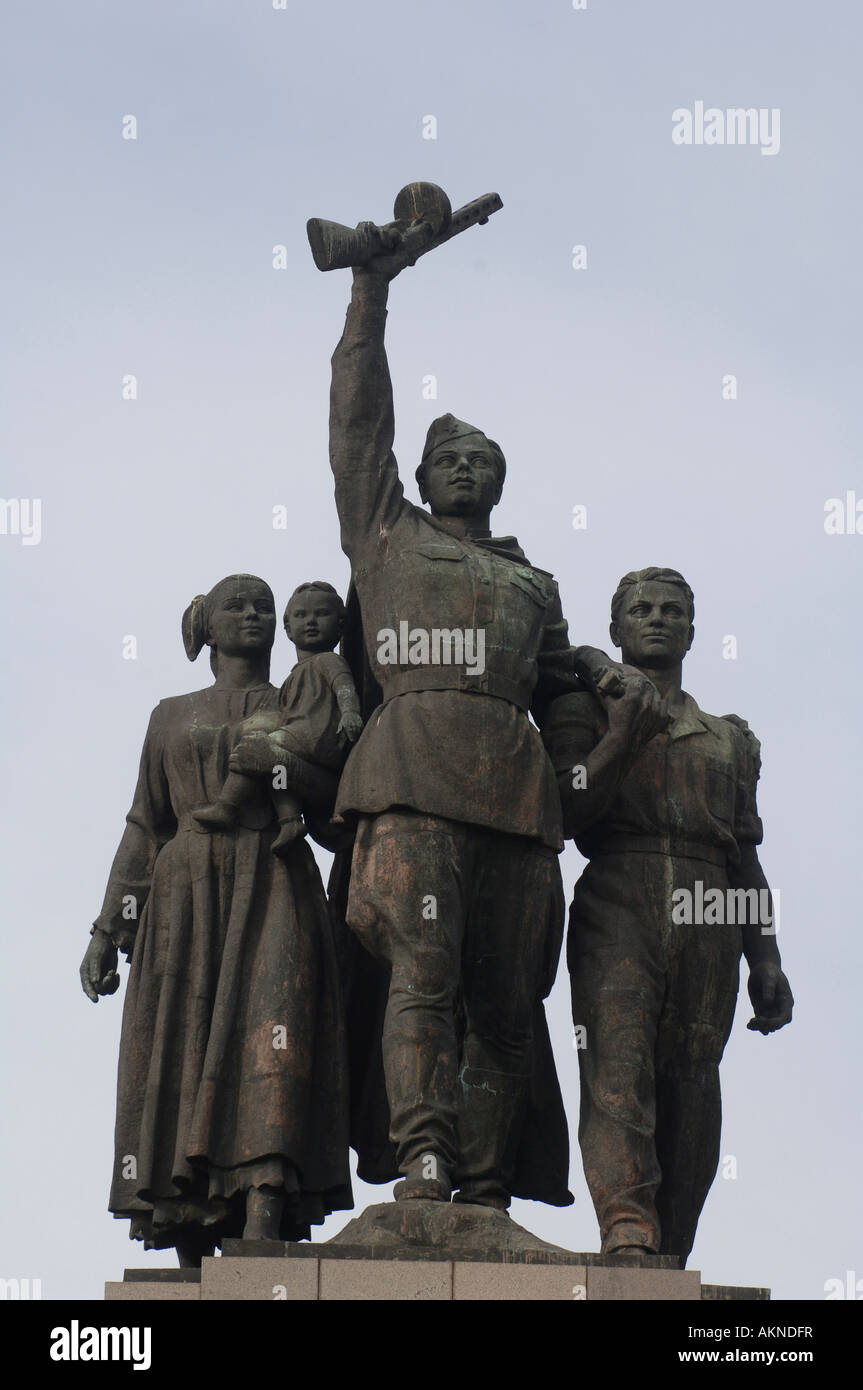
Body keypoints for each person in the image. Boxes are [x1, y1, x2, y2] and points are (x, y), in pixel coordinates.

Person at [325, 234, 661, 1212]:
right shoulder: (385, 533)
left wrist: (602, 702)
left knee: (508, 1006)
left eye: (479, 457)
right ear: (422, 479)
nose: (462, 466)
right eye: (446, 457)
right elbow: (357, 425)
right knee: (422, 975)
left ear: (498, 480)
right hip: (412, 774)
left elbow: (559, 689)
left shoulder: (529, 581)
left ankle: (484, 1179)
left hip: (516, 794)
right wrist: (369, 292)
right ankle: (422, 1154)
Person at [79, 574, 352, 1265]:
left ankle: (264, 1205)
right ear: (207, 625)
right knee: (184, 1043)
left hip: (275, 876)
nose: (255, 614)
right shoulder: (170, 713)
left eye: (265, 604)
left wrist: (282, 768)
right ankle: (188, 1223)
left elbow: (334, 802)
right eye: (239, 603)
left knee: (273, 1033)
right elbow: (146, 824)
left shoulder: (298, 696)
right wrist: (109, 928)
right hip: (183, 892)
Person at [541, 567, 794, 1264]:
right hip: (619, 885)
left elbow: (743, 855)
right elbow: (567, 810)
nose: (657, 619)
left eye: (672, 611)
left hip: (710, 899)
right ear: (617, 629)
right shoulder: (581, 711)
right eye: (641, 610)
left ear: (691, 629)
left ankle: (670, 1251)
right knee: (617, 1064)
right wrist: (621, 733)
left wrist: (765, 957)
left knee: (691, 1076)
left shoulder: (728, 739)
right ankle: (627, 1227)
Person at [193, 581, 363, 854]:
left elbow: (344, 687)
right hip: (302, 736)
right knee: (271, 765)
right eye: (301, 615)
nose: (311, 622)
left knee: (255, 747)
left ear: (340, 626)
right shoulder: (294, 677)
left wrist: (351, 712)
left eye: (322, 614)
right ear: (288, 629)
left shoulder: (328, 662)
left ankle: (227, 806)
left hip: (314, 735)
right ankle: (291, 821)